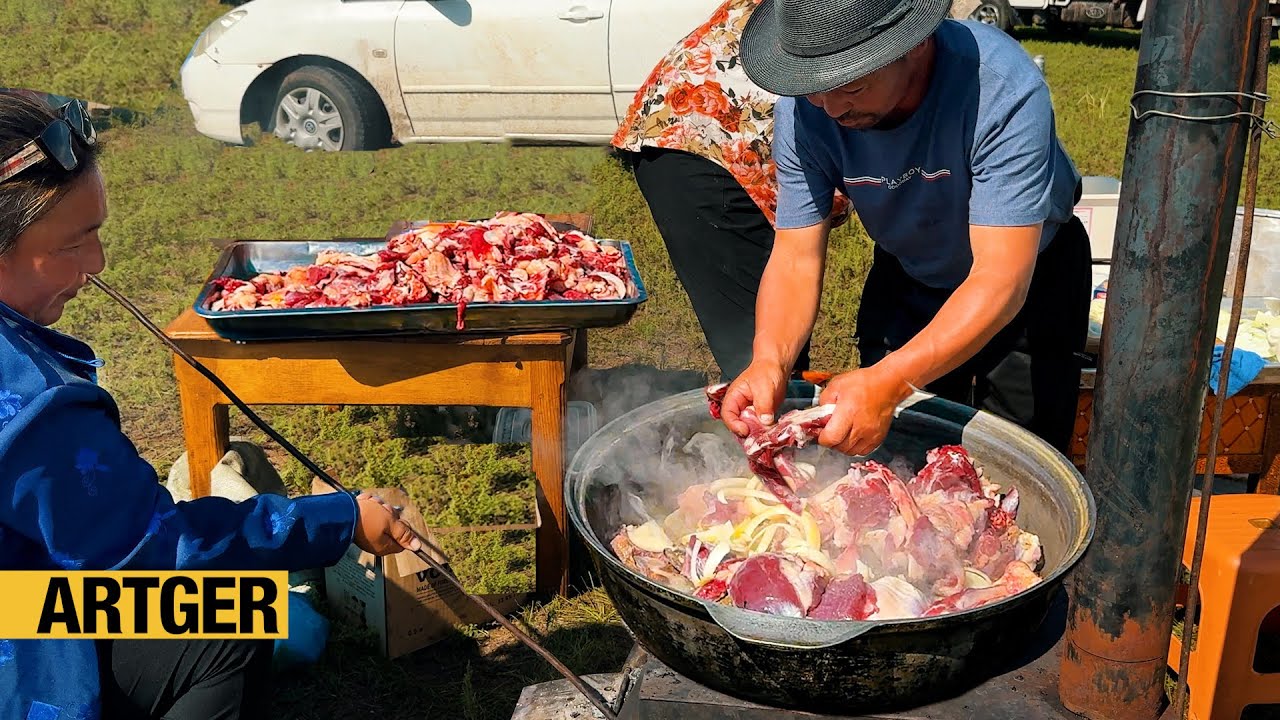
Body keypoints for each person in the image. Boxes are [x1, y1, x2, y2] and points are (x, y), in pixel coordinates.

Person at [0, 91, 419, 720]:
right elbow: (155, 550)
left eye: (97, 234)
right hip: (17, 635)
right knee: (230, 618)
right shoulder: (32, 406)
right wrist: (341, 519)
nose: (98, 263)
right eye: (72, 244)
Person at [719, 0, 1091, 457]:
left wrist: (892, 380)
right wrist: (770, 360)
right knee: (899, 452)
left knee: (1019, 453)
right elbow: (796, 257)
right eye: (815, 89)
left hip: (1031, 279)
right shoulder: (804, 110)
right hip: (910, 268)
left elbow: (1000, 278)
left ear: (914, 44)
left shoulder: (1000, 89)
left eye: (851, 85)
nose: (831, 108)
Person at [610, 0, 853, 382]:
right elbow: (795, 260)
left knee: (780, 347)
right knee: (757, 348)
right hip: (703, 137)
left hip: (740, 136)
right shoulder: (804, 108)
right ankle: (767, 408)